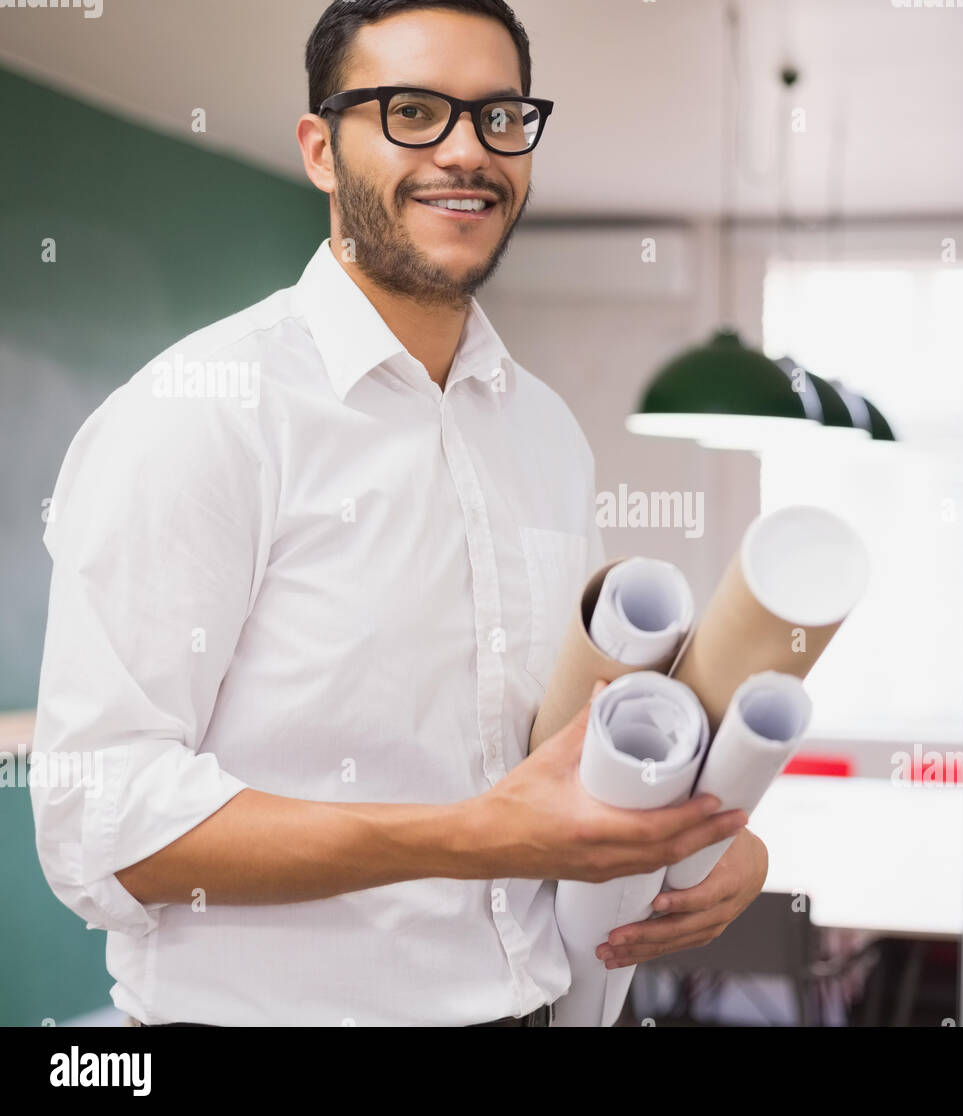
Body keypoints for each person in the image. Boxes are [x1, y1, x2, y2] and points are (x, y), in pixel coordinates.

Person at [30, 0, 766, 1027]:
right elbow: (98, 820)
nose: (467, 152)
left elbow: (557, 756)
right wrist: (477, 836)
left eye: (500, 117)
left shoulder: (544, 431)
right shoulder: (197, 415)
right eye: (414, 111)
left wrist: (720, 844)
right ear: (321, 150)